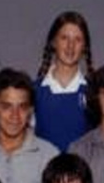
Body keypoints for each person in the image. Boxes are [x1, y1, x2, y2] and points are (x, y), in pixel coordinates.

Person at [33, 11, 94, 152]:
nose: (70, 46)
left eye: (77, 40)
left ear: (85, 46)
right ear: (53, 42)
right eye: (64, 38)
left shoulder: (93, 92)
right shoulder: (35, 91)